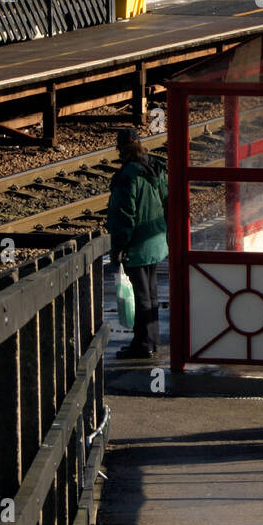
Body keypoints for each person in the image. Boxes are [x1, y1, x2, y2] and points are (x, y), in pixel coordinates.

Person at [106, 127, 168, 359]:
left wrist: (119, 246)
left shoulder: (127, 176)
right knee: (150, 293)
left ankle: (142, 344)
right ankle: (151, 341)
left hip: (137, 245)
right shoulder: (154, 168)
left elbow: (125, 215)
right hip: (155, 241)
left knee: (141, 295)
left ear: (121, 149)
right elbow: (167, 200)